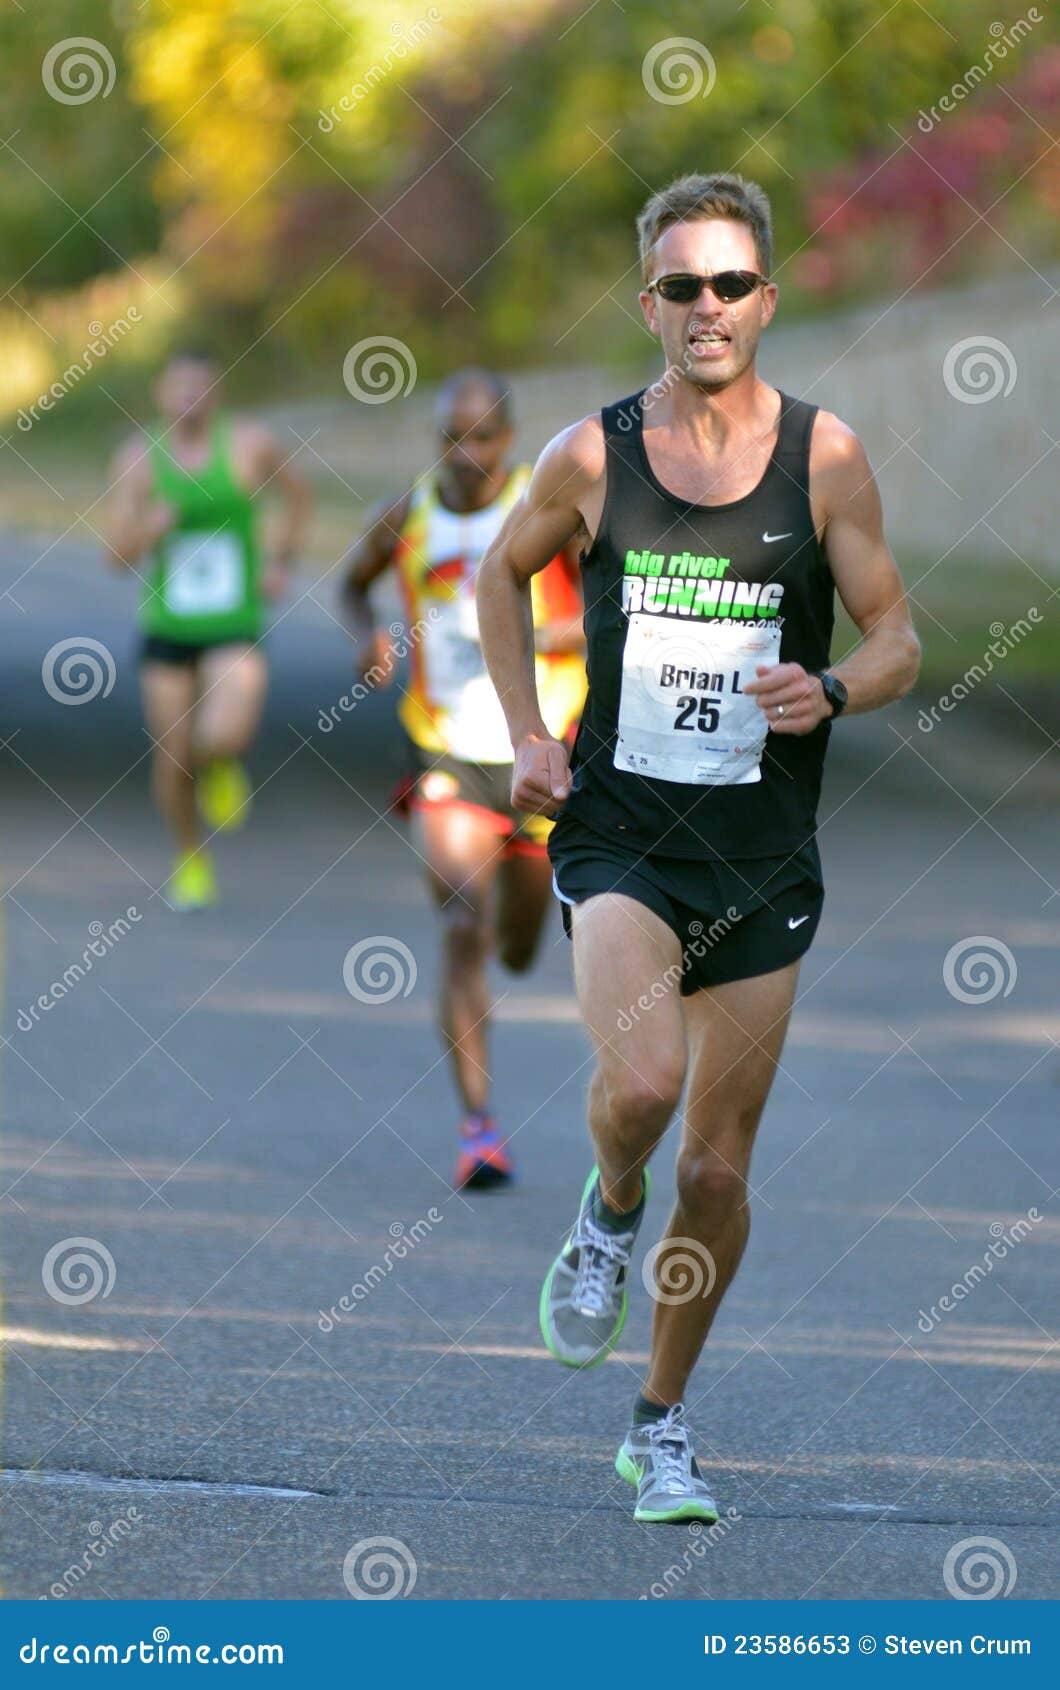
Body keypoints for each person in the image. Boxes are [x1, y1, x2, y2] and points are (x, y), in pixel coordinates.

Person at [477, 174, 920, 1521]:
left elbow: (898, 637)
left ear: (767, 300)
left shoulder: (826, 456)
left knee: (720, 1169)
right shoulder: (593, 456)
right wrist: (527, 733)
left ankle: (658, 1425)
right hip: (622, 831)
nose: (709, 307)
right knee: (644, 1083)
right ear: (651, 305)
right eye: (683, 286)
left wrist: (833, 688)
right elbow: (499, 573)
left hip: (764, 853)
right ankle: (610, 1206)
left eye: (732, 283)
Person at [342, 368, 585, 1190]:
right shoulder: (410, 513)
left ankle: (518, 924)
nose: (467, 453)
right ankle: (478, 1128)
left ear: (508, 440)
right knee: (459, 923)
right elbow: (350, 584)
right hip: (442, 748)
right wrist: (370, 636)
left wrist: (554, 631)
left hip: (538, 754)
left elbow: (619, 601)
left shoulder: (545, 506)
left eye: (482, 436)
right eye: (452, 436)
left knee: (516, 945)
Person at [104, 349, 311, 910]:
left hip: (233, 621)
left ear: (217, 392)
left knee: (224, 732)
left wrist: (279, 558)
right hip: (167, 624)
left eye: (202, 386)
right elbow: (114, 556)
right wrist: (149, 527)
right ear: (160, 392)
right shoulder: (139, 458)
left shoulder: (248, 444)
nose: (190, 398)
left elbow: (297, 495)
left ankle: (220, 764)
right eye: (180, 387)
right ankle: (189, 855)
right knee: (170, 755)